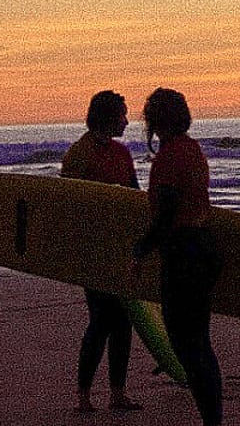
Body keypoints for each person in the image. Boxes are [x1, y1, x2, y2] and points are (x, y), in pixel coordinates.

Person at [132, 89, 223, 426]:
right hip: (203, 248)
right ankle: (213, 420)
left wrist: (141, 250)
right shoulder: (193, 149)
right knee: (198, 342)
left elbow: (167, 213)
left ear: (155, 120)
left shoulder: (170, 156)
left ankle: (212, 421)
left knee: (188, 346)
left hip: (184, 253)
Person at [61, 91, 142, 413]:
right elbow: (68, 206)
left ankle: (117, 393)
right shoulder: (79, 155)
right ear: (108, 116)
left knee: (122, 322)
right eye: (122, 114)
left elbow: (135, 198)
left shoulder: (122, 154)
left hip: (120, 249)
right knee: (101, 321)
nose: (126, 120)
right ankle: (83, 395)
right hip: (91, 252)